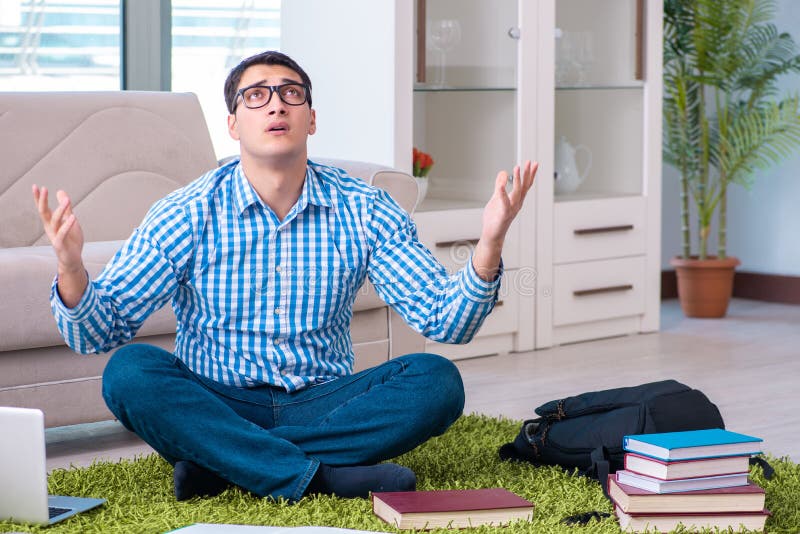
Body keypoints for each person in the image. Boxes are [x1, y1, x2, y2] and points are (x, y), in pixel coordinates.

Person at [32, 51, 537, 502]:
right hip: (218, 399)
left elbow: (444, 322)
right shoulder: (185, 212)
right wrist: (72, 268)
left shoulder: (364, 208)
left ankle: (225, 467)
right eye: (256, 96)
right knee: (130, 371)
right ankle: (320, 477)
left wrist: (489, 242)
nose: (276, 105)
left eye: (290, 94)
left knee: (437, 382)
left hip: (323, 403)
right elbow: (100, 330)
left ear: (311, 119)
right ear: (233, 123)